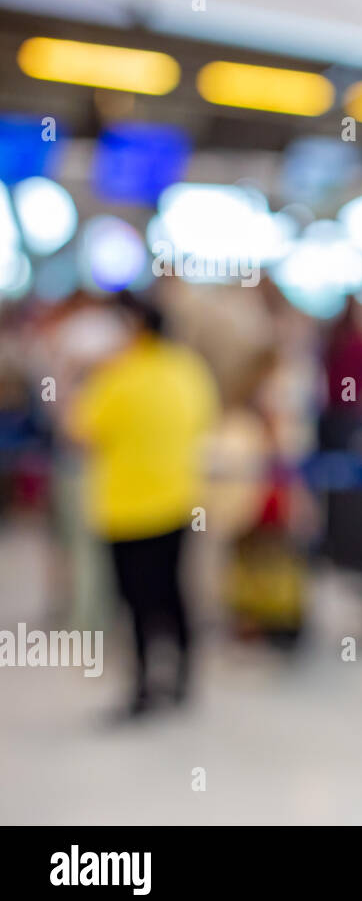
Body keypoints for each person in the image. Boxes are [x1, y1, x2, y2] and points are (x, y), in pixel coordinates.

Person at [67, 293, 219, 719]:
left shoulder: (116, 377)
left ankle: (143, 686)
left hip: (125, 507)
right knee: (173, 592)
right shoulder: (187, 369)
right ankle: (183, 678)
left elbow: (79, 432)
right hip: (179, 499)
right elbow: (205, 419)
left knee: (134, 602)